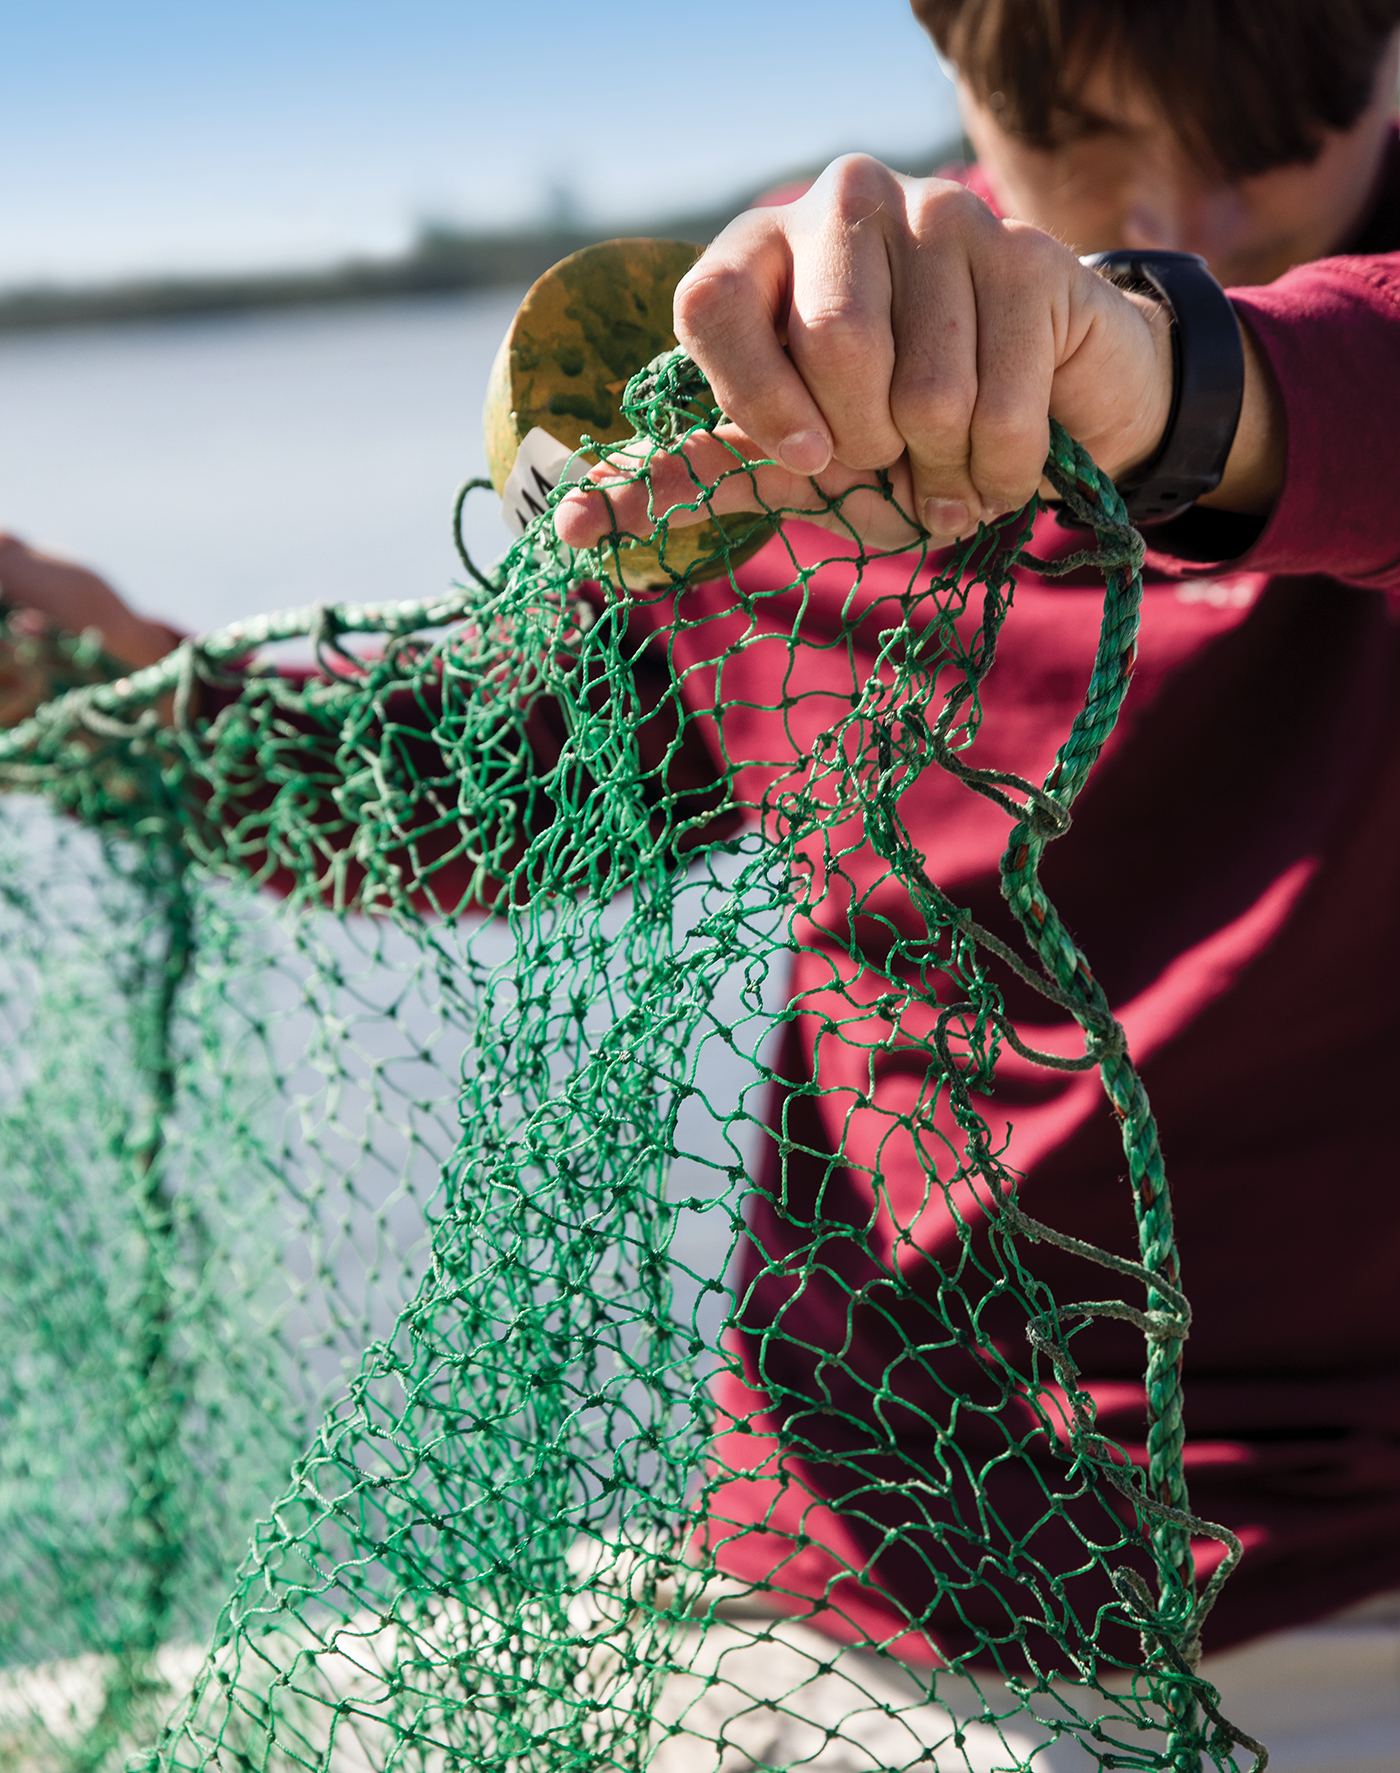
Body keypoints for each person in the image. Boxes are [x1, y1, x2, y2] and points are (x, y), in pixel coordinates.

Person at [4, 0, 1400, 1760]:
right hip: (819, 1569)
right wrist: (108, 686)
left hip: (1322, 1596)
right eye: (1087, 145)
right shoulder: (825, 365)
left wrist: (1158, 373)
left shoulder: (1296, 344)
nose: (1181, 216)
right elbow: (510, 786)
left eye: (1274, 157)